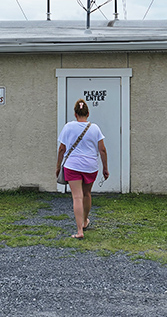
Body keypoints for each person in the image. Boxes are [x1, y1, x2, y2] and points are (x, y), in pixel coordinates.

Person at [56, 98, 109, 239]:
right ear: (88, 113)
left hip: (72, 166)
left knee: (77, 197)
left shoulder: (68, 127)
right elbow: (102, 150)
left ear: (75, 113)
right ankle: (85, 221)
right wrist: (105, 168)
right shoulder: (95, 128)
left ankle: (79, 230)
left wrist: (57, 167)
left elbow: (62, 149)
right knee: (86, 194)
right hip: (90, 166)